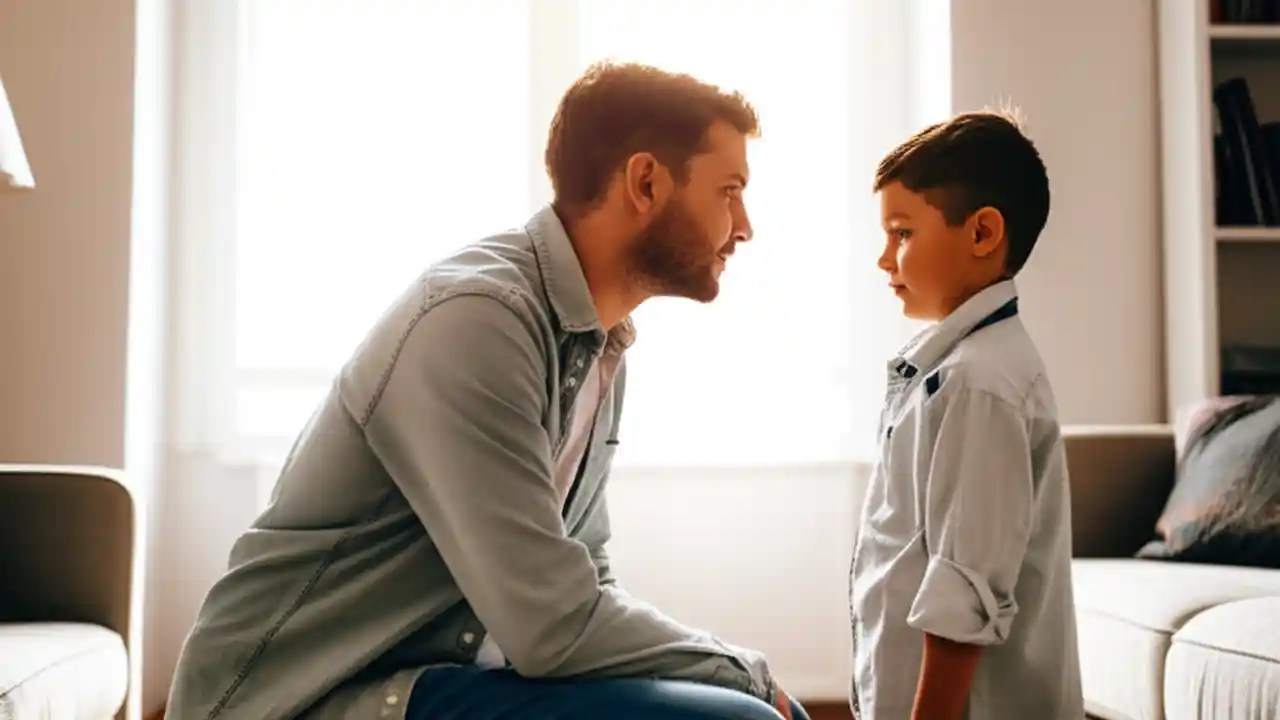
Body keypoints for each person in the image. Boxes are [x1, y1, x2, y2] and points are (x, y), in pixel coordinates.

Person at [167, 61, 806, 720]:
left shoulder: (600, 343)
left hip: (438, 673)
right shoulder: (477, 319)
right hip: (296, 700)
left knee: (736, 707)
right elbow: (551, 626)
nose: (745, 224)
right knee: (742, 719)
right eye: (729, 190)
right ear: (646, 182)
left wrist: (728, 676)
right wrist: (745, 675)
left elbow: (584, 575)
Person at [848, 111, 1084, 719]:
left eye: (901, 233)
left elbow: (963, 593)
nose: (884, 259)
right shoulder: (950, 370)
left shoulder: (980, 384)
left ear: (982, 233)